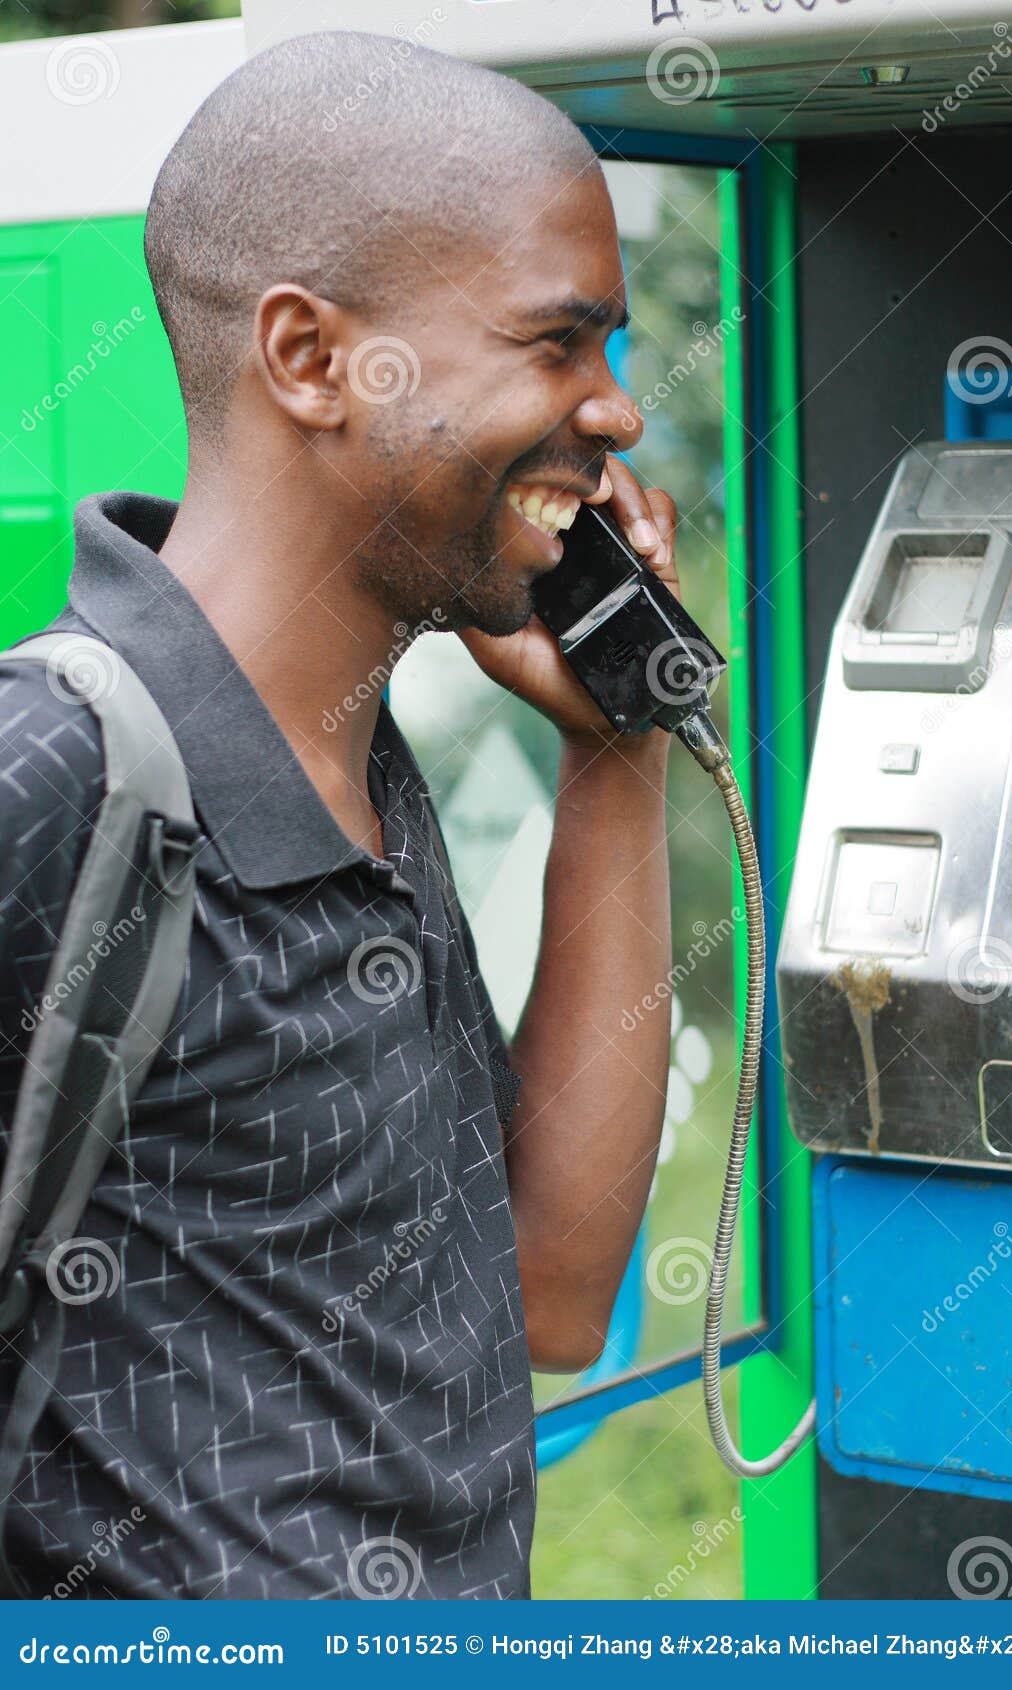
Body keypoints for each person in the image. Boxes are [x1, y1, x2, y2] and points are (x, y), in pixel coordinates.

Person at [0, 30, 680, 1600]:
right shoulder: (53, 770)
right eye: (557, 345)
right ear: (311, 358)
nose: (615, 415)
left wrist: (619, 746)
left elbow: (550, 1301)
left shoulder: (360, 770)